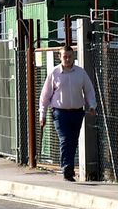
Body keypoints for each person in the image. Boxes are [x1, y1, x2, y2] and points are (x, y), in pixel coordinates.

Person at [39, 46, 98, 182]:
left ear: (73, 56)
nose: (67, 59)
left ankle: (69, 167)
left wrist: (92, 105)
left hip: (77, 112)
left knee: (72, 141)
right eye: (64, 56)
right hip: (60, 113)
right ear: (60, 57)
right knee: (65, 140)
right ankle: (67, 169)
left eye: (70, 56)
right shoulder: (54, 73)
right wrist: (42, 114)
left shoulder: (80, 73)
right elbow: (45, 96)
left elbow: (89, 90)